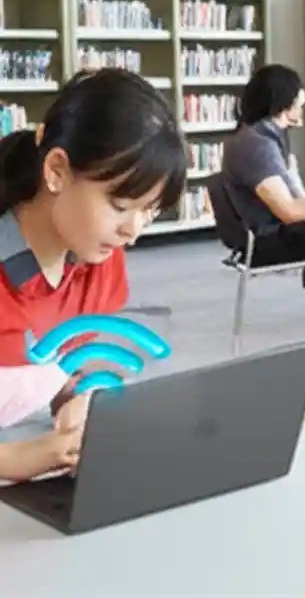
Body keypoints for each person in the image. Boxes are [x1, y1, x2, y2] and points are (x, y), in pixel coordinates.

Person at [0, 68, 187, 479]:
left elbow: (51, 369)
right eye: (120, 206)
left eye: (150, 212)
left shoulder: (99, 261)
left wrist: (75, 403)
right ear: (56, 171)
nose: (132, 232)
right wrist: (17, 459)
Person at [221, 64, 305, 266]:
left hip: (272, 233)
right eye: (299, 105)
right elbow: (289, 211)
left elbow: (297, 198)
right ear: (285, 105)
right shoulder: (256, 145)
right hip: (270, 241)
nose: (301, 111)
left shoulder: (258, 137)